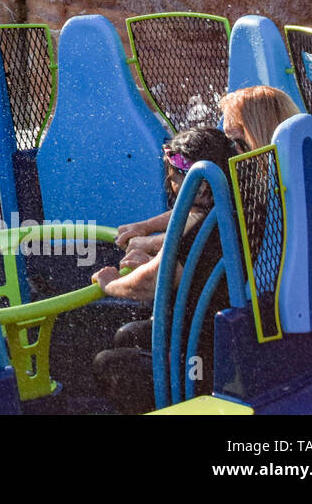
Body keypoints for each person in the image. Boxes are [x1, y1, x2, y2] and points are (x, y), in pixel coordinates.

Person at [91, 127, 243, 413]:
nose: (171, 186)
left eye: (175, 179)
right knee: (128, 335)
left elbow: (149, 282)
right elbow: (185, 215)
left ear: (198, 185)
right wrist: (147, 231)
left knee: (107, 364)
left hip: (200, 353)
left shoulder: (204, 229)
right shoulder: (227, 199)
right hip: (211, 335)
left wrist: (109, 284)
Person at [113, 85, 298, 256]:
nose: (228, 149)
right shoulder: (285, 170)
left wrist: (150, 243)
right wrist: (146, 226)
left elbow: (210, 231)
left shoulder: (261, 189)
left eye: (234, 141)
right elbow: (202, 208)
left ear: (257, 136)